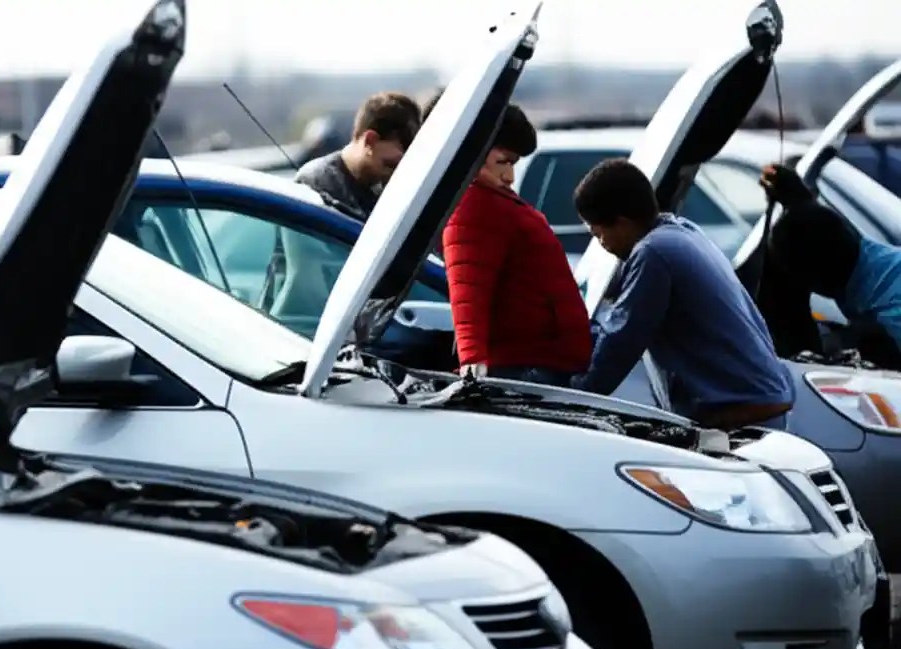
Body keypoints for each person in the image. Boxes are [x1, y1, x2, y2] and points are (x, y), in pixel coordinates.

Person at [569, 158, 794, 429]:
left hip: (740, 414)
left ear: (622, 223)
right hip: (762, 404)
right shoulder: (682, 232)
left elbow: (621, 340)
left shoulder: (653, 252)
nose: (602, 244)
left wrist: (573, 398)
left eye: (599, 234)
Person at [440, 101, 591, 386]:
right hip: (521, 368)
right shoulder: (474, 205)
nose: (510, 176)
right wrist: (472, 361)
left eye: (513, 164)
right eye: (503, 162)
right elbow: (469, 287)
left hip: (535, 363)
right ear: (475, 154)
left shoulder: (489, 200)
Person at [762, 163, 901, 355]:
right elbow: (818, 230)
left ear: (817, 281)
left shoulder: (889, 317)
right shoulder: (867, 258)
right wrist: (798, 200)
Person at [294, 91, 421, 219]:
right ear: (370, 140)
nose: (395, 173)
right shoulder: (314, 185)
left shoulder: (382, 190)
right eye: (390, 165)